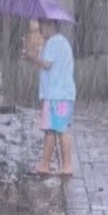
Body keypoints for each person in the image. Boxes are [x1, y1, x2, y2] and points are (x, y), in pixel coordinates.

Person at [30, 19, 76, 177]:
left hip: (55, 95)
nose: (41, 30)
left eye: (42, 26)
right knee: (63, 129)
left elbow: (47, 64)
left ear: (50, 25)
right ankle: (67, 165)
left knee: (50, 130)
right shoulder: (63, 42)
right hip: (65, 94)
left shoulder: (53, 42)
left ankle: (45, 164)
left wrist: (33, 58)